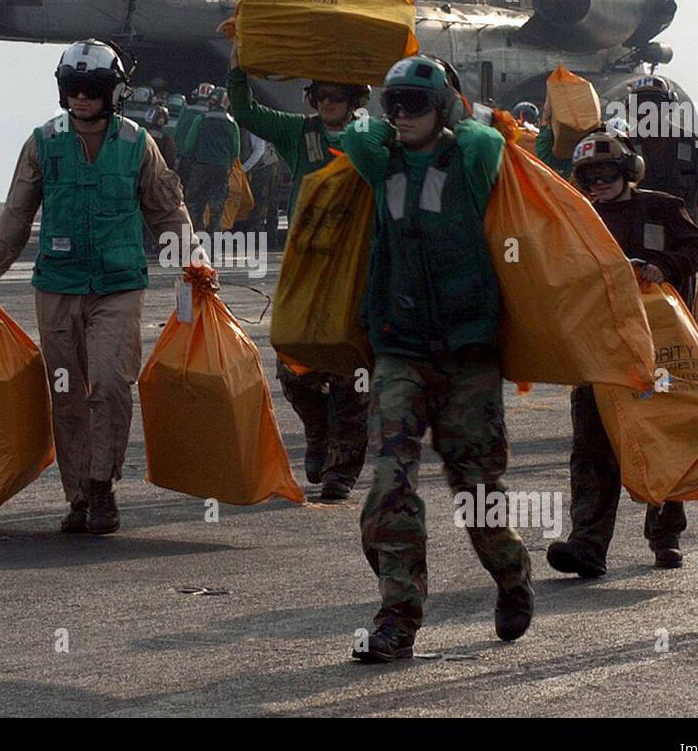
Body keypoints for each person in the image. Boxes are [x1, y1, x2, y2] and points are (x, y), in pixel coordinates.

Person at [344, 55, 534, 662]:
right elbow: (354, 133)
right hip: (400, 348)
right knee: (390, 482)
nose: (402, 117)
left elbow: (483, 137)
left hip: (468, 353)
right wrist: (381, 116)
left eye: (416, 105)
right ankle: (398, 618)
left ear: (444, 109)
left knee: (476, 490)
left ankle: (511, 572)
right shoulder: (383, 161)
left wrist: (457, 110)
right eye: (393, 105)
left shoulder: (471, 158)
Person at [0, 39, 201, 535]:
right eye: (72, 89)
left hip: (118, 286)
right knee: (67, 394)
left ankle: (102, 485)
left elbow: (166, 209)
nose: (80, 98)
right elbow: (15, 214)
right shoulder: (43, 142)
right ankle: (77, 496)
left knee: (112, 385)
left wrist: (193, 263)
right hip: (57, 285)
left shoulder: (139, 144)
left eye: (91, 89)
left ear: (111, 92)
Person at [546, 129, 698, 575]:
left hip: (661, 347)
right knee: (592, 447)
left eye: (605, 172)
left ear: (626, 170)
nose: (599, 182)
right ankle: (587, 545)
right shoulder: (580, 218)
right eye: (589, 175)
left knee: (664, 435)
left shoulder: (661, 206)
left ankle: (665, 537)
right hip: (600, 348)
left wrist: (664, 267)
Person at [226, 48, 371, 501]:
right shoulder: (297, 134)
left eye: (338, 95)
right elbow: (244, 110)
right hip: (305, 269)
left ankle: (341, 472)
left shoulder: (373, 139)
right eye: (321, 95)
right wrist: (239, 63)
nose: (328, 103)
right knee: (294, 369)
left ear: (354, 99)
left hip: (354, 271)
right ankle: (317, 434)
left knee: (352, 375)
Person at [625, 75, 698, 240]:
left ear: (669, 106)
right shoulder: (623, 147)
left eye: (655, 104)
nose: (648, 111)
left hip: (684, 239)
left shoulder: (693, 144)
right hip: (638, 240)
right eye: (640, 105)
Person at [180, 85, 240, 235]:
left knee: (194, 202)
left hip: (201, 167)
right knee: (217, 205)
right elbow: (236, 150)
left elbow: (189, 145)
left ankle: (197, 232)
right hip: (222, 168)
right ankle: (214, 236)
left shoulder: (200, 119)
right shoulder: (232, 123)